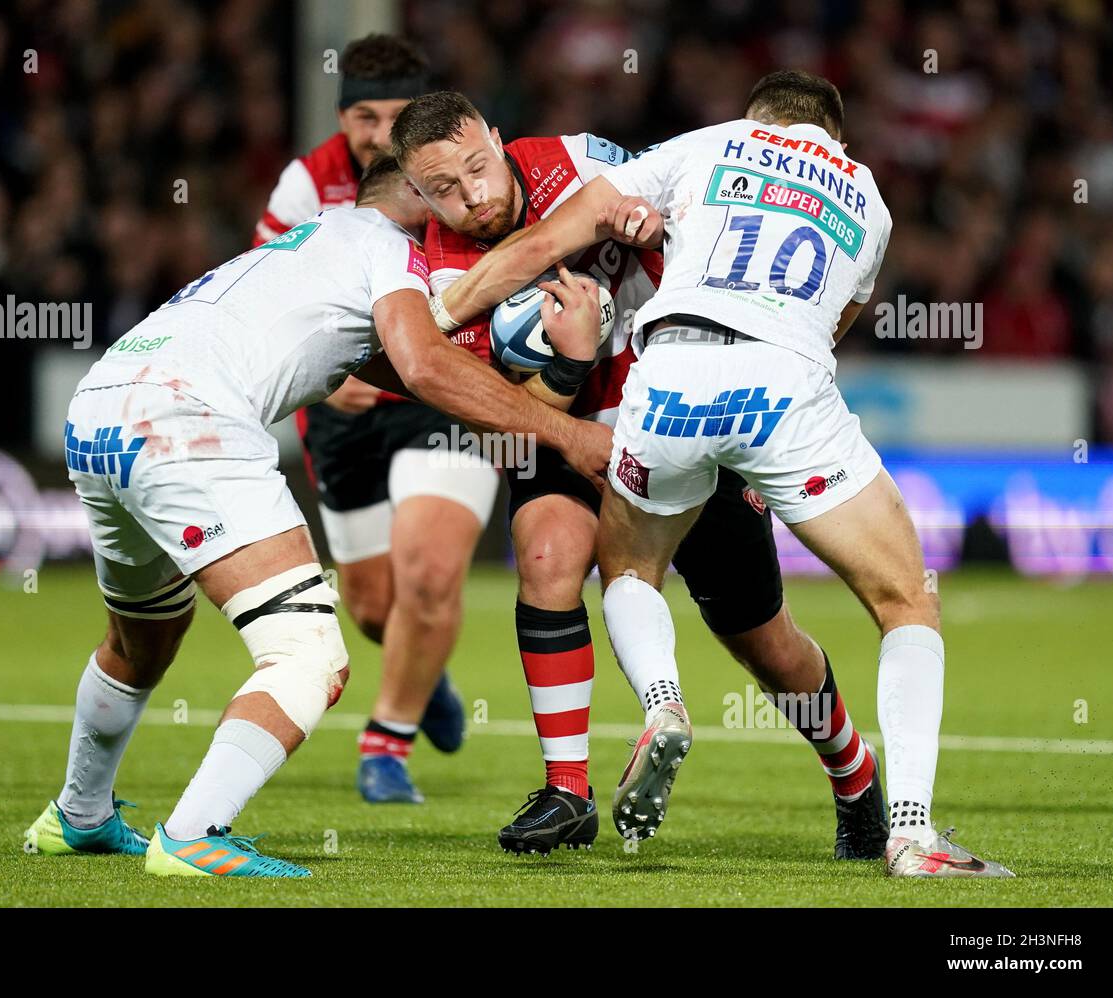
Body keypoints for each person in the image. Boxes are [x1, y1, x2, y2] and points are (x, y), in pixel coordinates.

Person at [430, 72, 1014, 877]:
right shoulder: (869, 199)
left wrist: (423, 325)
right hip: (779, 383)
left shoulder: (707, 144)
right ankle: (911, 832)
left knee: (632, 570)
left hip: (665, 379)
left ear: (756, 121)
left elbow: (538, 246)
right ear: (834, 139)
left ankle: (666, 705)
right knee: (905, 599)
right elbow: (839, 319)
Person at [24, 155, 610, 878]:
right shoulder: (387, 246)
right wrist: (578, 434)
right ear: (419, 200)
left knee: (142, 636)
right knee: (309, 655)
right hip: (183, 421)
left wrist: (560, 378)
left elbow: (455, 393)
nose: (467, 223)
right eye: (450, 201)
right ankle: (193, 836)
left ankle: (78, 818)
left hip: (100, 405)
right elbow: (430, 369)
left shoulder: (313, 252)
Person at [253, 34, 495, 805]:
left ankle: (385, 744)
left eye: (397, 117)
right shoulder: (305, 183)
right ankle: (424, 675)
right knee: (370, 607)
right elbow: (269, 299)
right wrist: (322, 385)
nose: (380, 134)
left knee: (427, 574)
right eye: (365, 116)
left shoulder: (452, 177)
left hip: (440, 398)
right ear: (341, 116)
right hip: (344, 413)